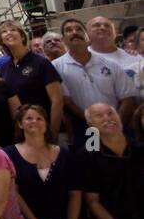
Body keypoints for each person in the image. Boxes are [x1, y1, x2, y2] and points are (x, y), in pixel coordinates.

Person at [5, 104, 92, 219]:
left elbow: (75, 193)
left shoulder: (65, 154)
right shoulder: (9, 154)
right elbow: (14, 194)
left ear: (46, 123)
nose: (34, 122)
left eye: (39, 118)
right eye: (29, 118)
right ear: (20, 124)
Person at [80, 103, 144, 219]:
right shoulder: (88, 156)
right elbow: (93, 203)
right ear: (90, 125)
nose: (108, 118)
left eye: (110, 113)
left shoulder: (140, 150)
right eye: (100, 116)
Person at [55, 18, 136, 148]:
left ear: (87, 36)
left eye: (79, 29)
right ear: (63, 39)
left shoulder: (110, 64)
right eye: (69, 30)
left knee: (125, 162)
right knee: (92, 164)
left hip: (117, 124)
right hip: (85, 128)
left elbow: (127, 98)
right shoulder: (56, 67)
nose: (75, 32)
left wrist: (114, 123)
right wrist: (94, 123)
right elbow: (66, 102)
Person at [0, 20, 63, 138]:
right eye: (4, 32)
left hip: (44, 129)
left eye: (13, 30)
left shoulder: (41, 63)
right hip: (22, 133)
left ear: (22, 36)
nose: (9, 33)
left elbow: (57, 101)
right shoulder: (4, 68)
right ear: (1, 41)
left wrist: (53, 134)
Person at [88, 15, 143, 92]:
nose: (102, 27)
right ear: (87, 34)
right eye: (96, 25)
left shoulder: (135, 58)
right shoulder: (82, 59)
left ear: (115, 33)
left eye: (107, 26)